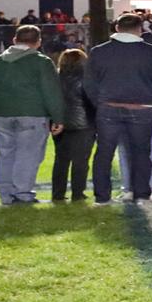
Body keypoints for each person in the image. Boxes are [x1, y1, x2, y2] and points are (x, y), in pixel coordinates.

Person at [85, 12, 152, 205]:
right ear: (140, 29)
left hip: (108, 108)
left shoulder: (99, 51)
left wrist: (99, 103)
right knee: (141, 153)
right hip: (142, 108)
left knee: (104, 153)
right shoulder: (151, 51)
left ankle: (102, 196)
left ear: (117, 28)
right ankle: (141, 194)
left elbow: (89, 83)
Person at [0, 24, 65, 205]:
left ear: (14, 40)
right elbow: (51, 91)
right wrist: (58, 117)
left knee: (5, 155)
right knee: (28, 155)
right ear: (38, 42)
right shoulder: (41, 62)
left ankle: (6, 194)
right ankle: (22, 193)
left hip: (1, 113)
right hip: (32, 113)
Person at [51, 47, 96, 201]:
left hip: (60, 122)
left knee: (61, 160)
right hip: (84, 123)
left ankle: (58, 193)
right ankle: (78, 193)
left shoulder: (55, 78)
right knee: (81, 161)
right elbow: (93, 100)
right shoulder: (88, 78)